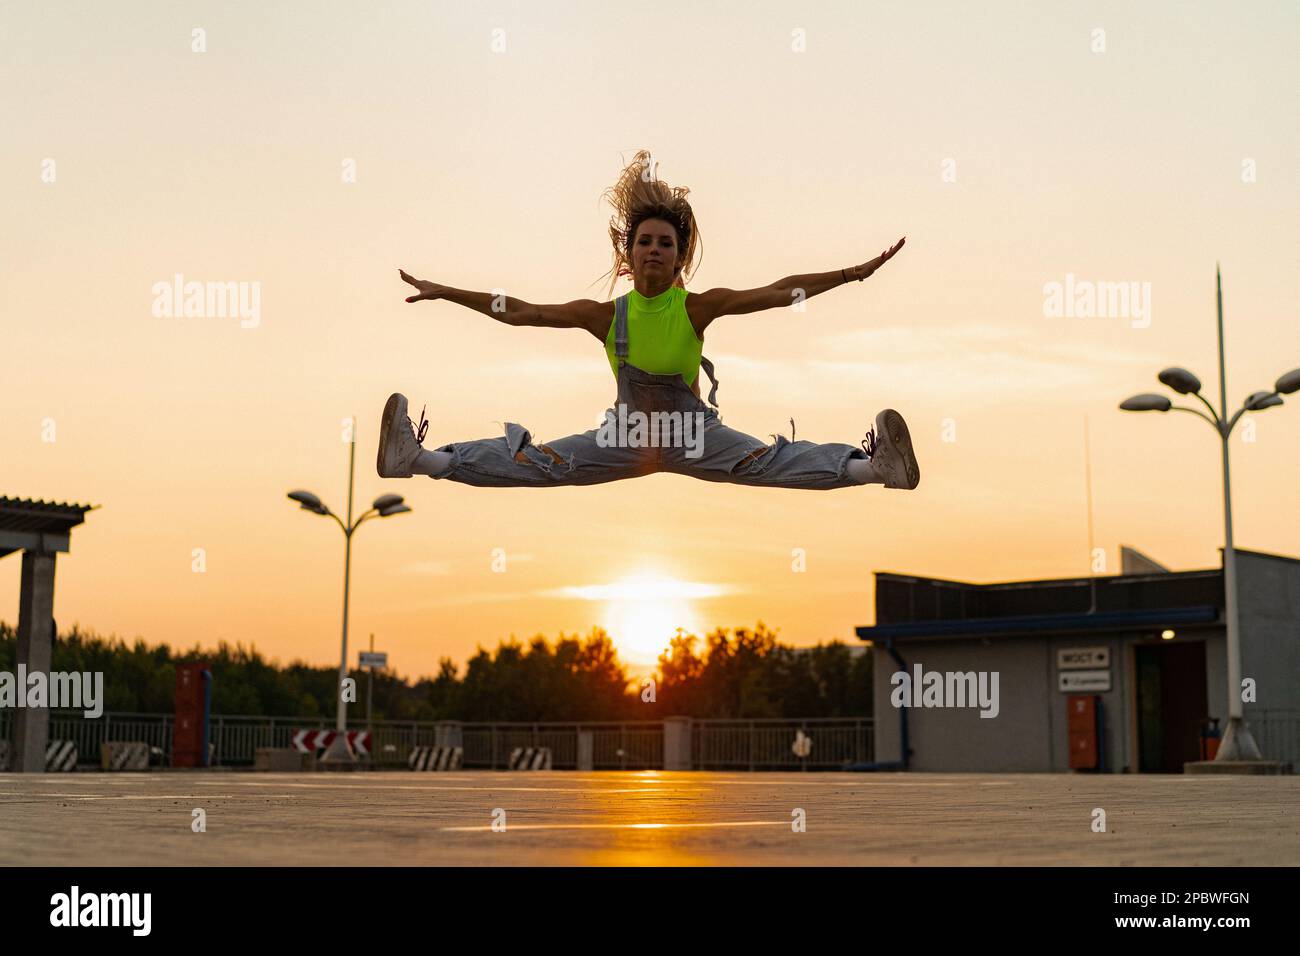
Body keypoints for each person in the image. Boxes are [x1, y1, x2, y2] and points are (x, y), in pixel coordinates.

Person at [378, 149, 919, 491]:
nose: (654, 250)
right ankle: (416, 459)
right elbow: (520, 312)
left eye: (666, 243)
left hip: (694, 435)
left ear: (679, 257)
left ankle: (878, 469)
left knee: (768, 461)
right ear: (628, 256)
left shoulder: (696, 307)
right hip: (625, 436)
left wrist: (852, 274)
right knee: (538, 462)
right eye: (645, 242)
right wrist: (448, 292)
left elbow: (780, 292)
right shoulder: (605, 317)